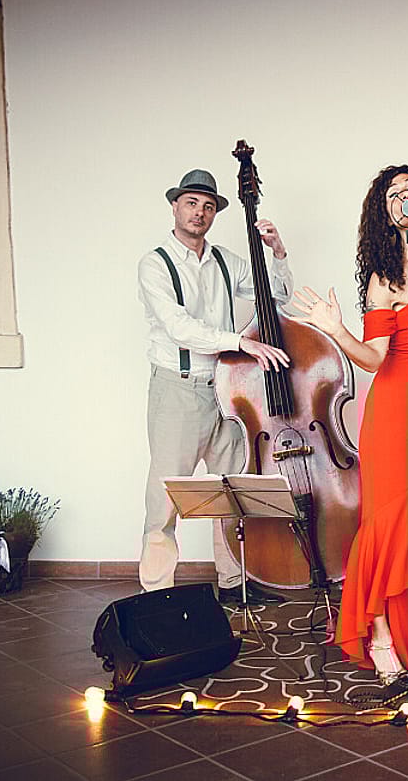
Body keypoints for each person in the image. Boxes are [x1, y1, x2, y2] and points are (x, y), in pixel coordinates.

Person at [291, 165, 408, 683]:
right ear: (385, 210)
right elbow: (374, 359)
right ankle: (379, 638)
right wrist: (335, 330)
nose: (407, 197)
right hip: (395, 411)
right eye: (395, 193)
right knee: (389, 523)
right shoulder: (386, 278)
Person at [137, 168, 293, 604]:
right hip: (178, 388)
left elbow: (275, 296)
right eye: (191, 203)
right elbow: (179, 328)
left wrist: (277, 253)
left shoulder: (226, 260)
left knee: (231, 491)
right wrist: (240, 341)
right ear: (175, 206)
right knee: (166, 495)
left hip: (227, 392)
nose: (199, 212)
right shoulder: (155, 263)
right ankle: (157, 592)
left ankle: (233, 583)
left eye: (208, 206)